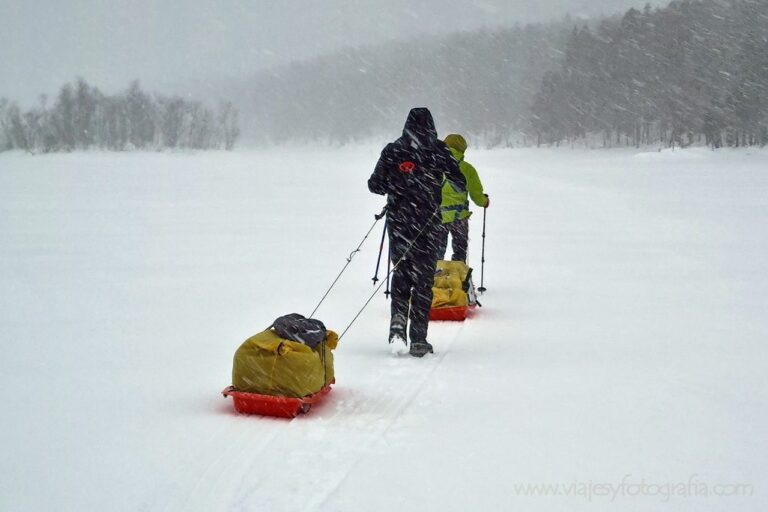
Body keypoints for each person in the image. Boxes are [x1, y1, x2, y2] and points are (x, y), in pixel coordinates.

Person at [368, 108, 466, 357]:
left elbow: (374, 185)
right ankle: (419, 338)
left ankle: (398, 319)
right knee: (424, 281)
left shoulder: (393, 150)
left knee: (402, 270)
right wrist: (432, 180)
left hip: (400, 222)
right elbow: (459, 179)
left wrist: (400, 184)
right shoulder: (438, 150)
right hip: (428, 223)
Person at [435, 133, 489, 262]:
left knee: (437, 251)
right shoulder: (468, 169)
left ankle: (435, 276)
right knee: (460, 251)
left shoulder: (434, 165)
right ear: (462, 148)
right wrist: (484, 201)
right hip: (460, 217)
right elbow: (476, 196)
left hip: (438, 217)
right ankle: (458, 276)